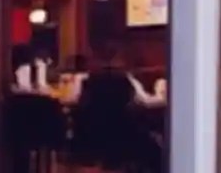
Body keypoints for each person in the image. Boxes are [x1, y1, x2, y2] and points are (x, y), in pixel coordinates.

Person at [70, 43, 163, 172]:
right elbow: (144, 102)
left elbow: (77, 103)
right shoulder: (124, 80)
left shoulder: (87, 81)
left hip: (93, 137)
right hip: (124, 135)